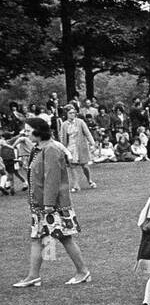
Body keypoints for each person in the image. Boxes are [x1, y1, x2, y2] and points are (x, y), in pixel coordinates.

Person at [12, 119, 91, 288]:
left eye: (28, 130)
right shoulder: (38, 149)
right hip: (39, 204)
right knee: (37, 238)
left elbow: (52, 179)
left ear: (38, 131)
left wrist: (48, 204)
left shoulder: (51, 149)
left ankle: (83, 272)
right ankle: (33, 276)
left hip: (52, 205)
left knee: (64, 237)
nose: (25, 134)